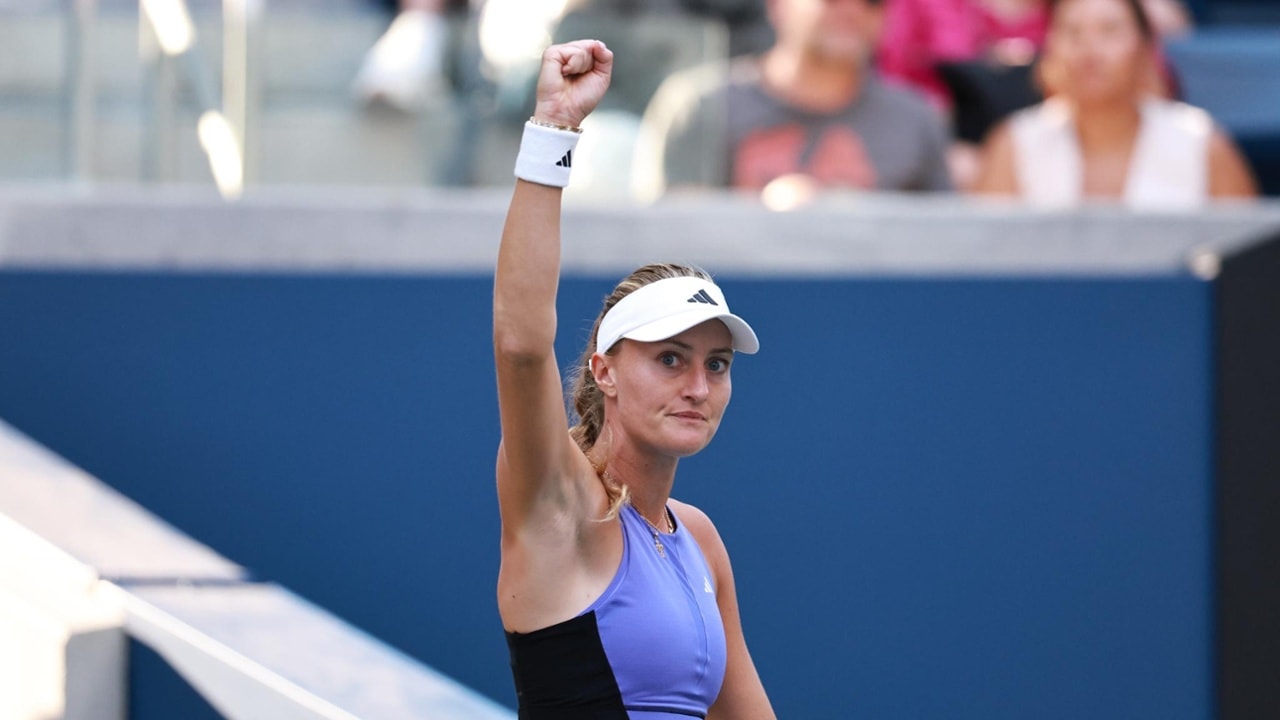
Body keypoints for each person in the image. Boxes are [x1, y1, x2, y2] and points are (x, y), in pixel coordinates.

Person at [495, 39, 776, 719]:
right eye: (670, 359)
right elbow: (522, 343)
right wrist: (553, 134)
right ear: (605, 372)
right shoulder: (560, 502)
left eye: (717, 365)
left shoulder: (699, 539)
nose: (699, 387)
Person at [634, 0, 953, 201]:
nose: (852, 9)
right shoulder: (700, 105)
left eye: (873, 2)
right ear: (778, 6)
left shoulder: (917, 119)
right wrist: (771, 212)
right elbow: (666, 246)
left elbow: (942, 248)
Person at [972, 0, 1256, 207]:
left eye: (1109, 31)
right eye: (1072, 32)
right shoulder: (1013, 144)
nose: (1090, 50)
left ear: (1145, 49)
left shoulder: (1204, 145)